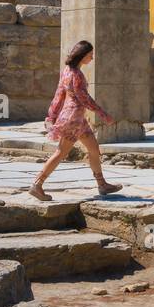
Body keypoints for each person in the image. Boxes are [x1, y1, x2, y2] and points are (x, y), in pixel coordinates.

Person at [28, 41, 121, 202]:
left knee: (93, 148)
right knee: (61, 152)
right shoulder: (76, 74)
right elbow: (84, 98)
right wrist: (103, 113)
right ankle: (37, 184)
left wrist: (51, 115)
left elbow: (59, 95)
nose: (92, 58)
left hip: (78, 119)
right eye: (90, 55)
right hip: (72, 119)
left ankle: (102, 184)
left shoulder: (67, 71)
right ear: (83, 55)